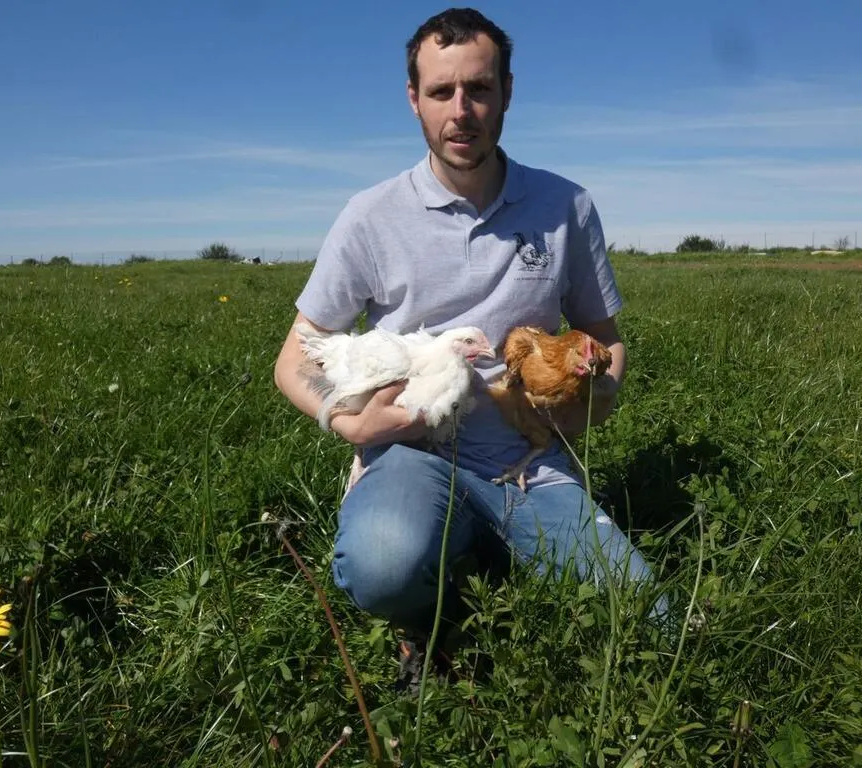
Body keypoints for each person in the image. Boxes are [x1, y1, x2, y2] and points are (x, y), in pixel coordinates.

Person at [273, 7, 663, 679]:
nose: (462, 110)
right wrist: (346, 418)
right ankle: (424, 614)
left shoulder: (564, 206)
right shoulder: (370, 216)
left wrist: (592, 402)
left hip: (532, 465)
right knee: (384, 564)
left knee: (645, 616)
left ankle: (480, 541)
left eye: (479, 89)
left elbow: (606, 339)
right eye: (441, 92)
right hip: (412, 453)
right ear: (413, 101)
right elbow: (293, 357)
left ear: (507, 91)